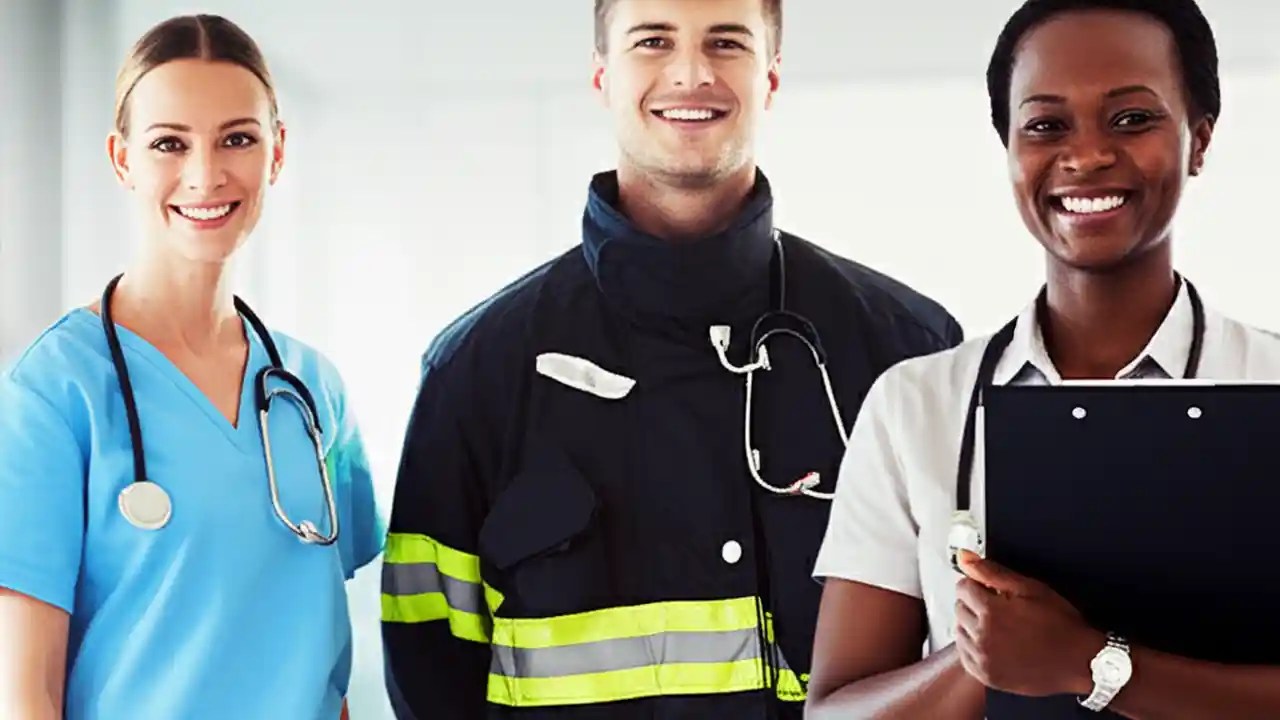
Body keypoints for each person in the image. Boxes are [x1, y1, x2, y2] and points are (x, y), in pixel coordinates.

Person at [379, 0, 962, 717]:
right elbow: (427, 673)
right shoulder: (475, 372)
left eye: (727, 42)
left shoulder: (907, 352)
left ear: (771, 78)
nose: (691, 72)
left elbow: (970, 654)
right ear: (602, 75)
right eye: (653, 42)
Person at [805, 0, 1280, 717]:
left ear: (1200, 140)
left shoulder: (1270, 385)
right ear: (1009, 150)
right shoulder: (917, 406)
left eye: (1131, 119)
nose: (1086, 155)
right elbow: (835, 711)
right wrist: (986, 653)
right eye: (1045, 125)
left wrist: (1083, 663)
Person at [0, 14, 384, 720]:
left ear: (276, 153)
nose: (205, 175)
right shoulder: (54, 393)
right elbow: (24, 694)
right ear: (122, 159)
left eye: (237, 138)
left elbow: (322, 657)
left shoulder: (311, 390)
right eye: (168, 144)